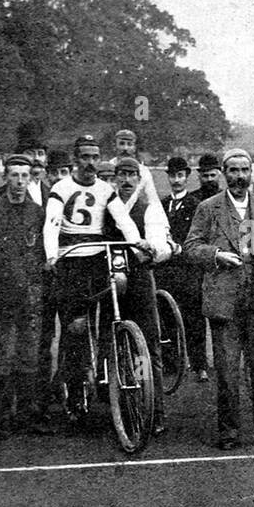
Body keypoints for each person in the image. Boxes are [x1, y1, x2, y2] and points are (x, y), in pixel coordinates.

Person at [185, 149, 254, 449]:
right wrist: (216, 255)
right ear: (224, 173)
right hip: (225, 304)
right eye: (233, 170)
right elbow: (190, 247)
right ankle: (229, 432)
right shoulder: (209, 207)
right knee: (228, 373)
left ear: (251, 174)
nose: (239, 176)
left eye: (244, 170)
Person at [43, 137, 145, 416]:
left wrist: (138, 244)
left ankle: (108, 376)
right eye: (85, 157)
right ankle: (75, 392)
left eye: (95, 157)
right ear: (76, 160)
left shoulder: (105, 189)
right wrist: (51, 255)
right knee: (76, 327)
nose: (90, 163)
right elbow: (52, 224)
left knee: (111, 312)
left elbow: (123, 220)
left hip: (99, 258)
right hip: (71, 261)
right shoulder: (61, 188)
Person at [0, 154, 46, 435]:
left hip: (30, 294)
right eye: (14, 175)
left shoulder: (37, 213)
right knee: (3, 356)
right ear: (5, 178)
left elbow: (39, 251)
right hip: (2, 294)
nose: (19, 181)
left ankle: (27, 415)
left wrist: (33, 284)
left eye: (25, 175)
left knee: (29, 355)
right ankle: (0, 416)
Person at [105, 156, 174, 436]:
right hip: (109, 282)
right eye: (121, 174)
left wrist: (153, 248)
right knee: (110, 341)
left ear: (139, 178)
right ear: (115, 178)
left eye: (132, 174)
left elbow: (160, 242)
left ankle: (153, 409)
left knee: (147, 344)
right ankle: (115, 403)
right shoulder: (106, 206)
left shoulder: (148, 208)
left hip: (139, 280)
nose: (126, 180)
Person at [157, 155, 208, 381]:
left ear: (187, 177)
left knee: (193, 317)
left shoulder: (195, 205)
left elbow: (198, 236)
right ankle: (172, 364)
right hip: (165, 268)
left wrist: (180, 248)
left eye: (180, 176)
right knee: (165, 315)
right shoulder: (161, 204)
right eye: (172, 176)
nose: (176, 180)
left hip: (188, 269)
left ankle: (199, 364)